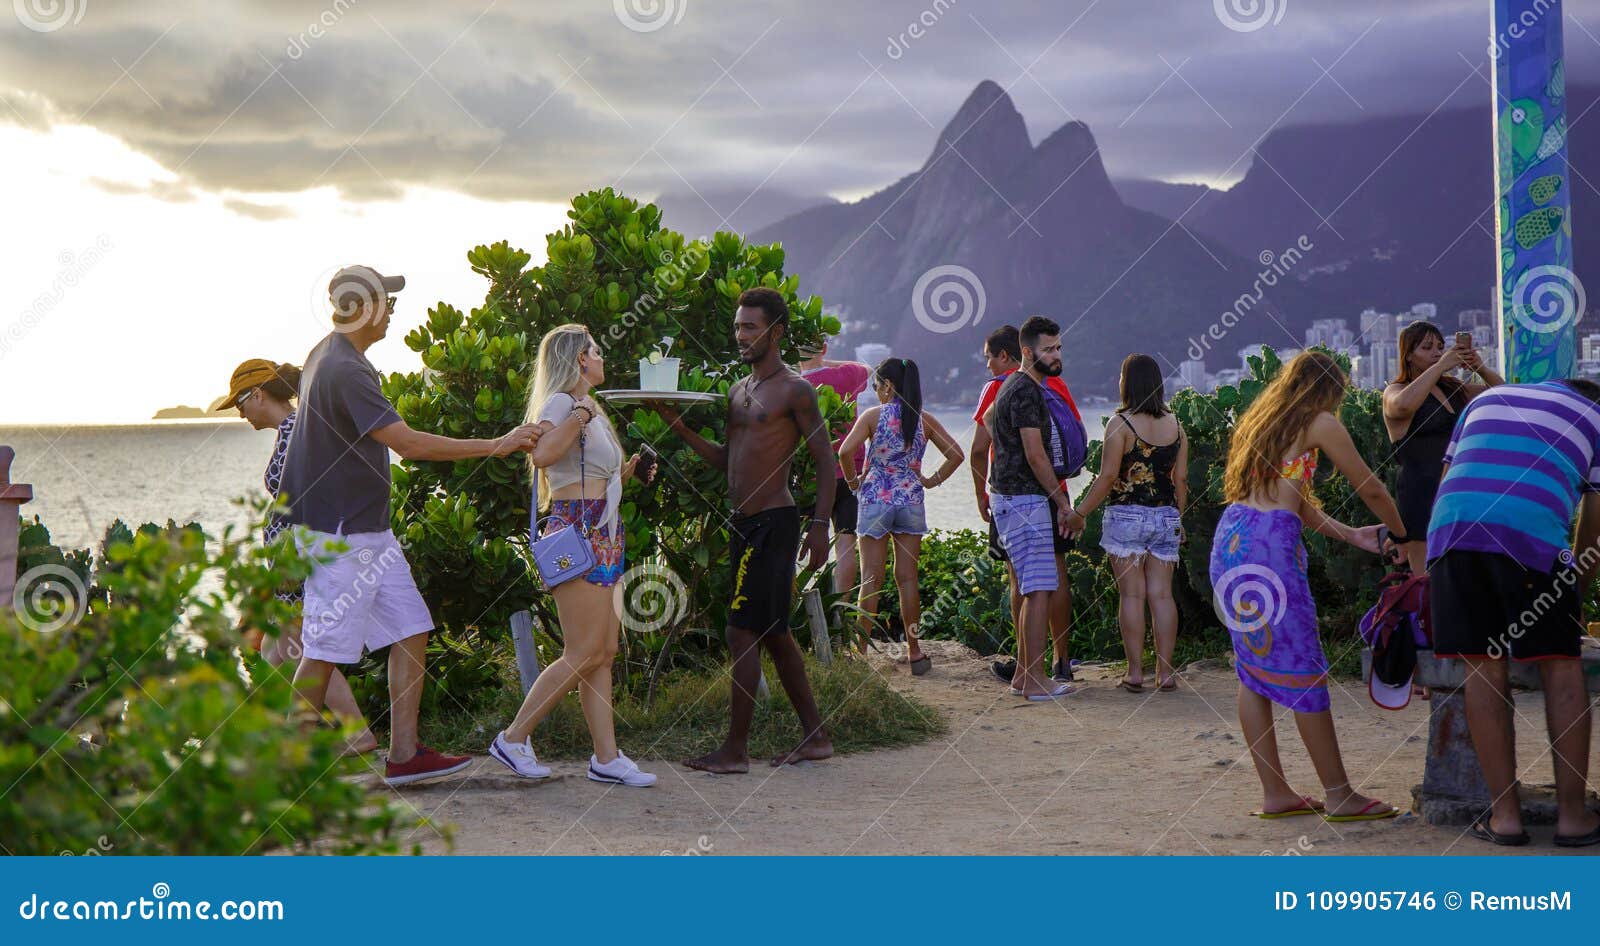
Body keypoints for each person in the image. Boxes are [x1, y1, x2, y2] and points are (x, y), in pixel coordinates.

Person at [280, 264, 541, 786]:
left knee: (410, 628)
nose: (393, 311)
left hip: (364, 531)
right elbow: (408, 443)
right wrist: (497, 444)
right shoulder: (344, 368)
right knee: (324, 651)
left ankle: (404, 755)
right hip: (340, 534)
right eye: (387, 301)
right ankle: (283, 772)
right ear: (361, 308)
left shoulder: (329, 357)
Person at [1211, 350, 1404, 821]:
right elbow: (1371, 488)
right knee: (1304, 667)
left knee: (1252, 671)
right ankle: (1339, 793)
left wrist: (1352, 535)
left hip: (1232, 542)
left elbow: (1291, 501)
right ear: (1330, 389)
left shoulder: (1265, 421)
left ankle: (1275, 793)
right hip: (1271, 553)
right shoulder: (1319, 422)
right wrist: (1404, 533)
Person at [652, 287, 837, 773]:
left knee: (740, 632)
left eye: (750, 327)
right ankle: (816, 738)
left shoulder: (795, 389)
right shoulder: (738, 390)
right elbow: (725, 460)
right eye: (737, 327)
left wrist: (820, 526)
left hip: (775, 522)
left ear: (776, 332)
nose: (740, 335)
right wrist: (678, 427)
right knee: (775, 633)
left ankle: (735, 752)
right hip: (742, 523)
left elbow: (825, 459)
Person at [1427, 379, 1600, 847]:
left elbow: (1448, 482)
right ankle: (1572, 818)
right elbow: (1594, 525)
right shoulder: (1596, 417)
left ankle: (1505, 819)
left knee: (1482, 669)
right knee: (1562, 668)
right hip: (1531, 537)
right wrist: (1574, 594)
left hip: (1452, 532)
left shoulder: (1485, 399)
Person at [488, 325, 658, 787]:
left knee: (603, 652)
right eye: (596, 351)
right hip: (575, 533)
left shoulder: (588, 407)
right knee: (582, 651)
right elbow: (542, 455)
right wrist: (579, 416)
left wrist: (629, 471)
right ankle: (513, 738)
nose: (602, 358)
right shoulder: (564, 404)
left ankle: (606, 758)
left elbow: (594, 476)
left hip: (604, 530)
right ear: (580, 359)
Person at [222, 358, 377, 755]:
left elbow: (317, 495)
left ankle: (351, 734)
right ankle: (286, 734)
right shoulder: (290, 431)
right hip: (289, 561)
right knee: (275, 650)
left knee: (301, 648)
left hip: (299, 560)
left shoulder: (298, 432)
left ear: (258, 394)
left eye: (240, 404)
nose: (240, 414)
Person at [837, 357, 965, 674]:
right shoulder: (924, 420)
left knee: (871, 578)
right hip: (911, 500)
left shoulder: (872, 416)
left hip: (875, 501)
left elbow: (844, 452)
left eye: (876, 386)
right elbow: (956, 455)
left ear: (888, 386)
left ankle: (860, 653)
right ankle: (915, 652)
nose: (876, 391)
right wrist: (931, 480)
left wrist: (853, 482)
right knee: (908, 579)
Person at [1073, 354, 1187, 692]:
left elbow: (1108, 476)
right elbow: (1181, 480)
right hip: (1166, 516)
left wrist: (1079, 513)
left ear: (1127, 383)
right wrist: (1178, 519)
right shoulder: (1177, 425)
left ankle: (1135, 673)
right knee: (1162, 596)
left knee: (1132, 596)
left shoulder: (1119, 424)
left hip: (1126, 516)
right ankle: (1165, 674)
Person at [970, 326, 1077, 685]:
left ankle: (1026, 665)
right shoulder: (1053, 385)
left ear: (1006, 355)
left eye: (989, 358)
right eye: (1051, 348)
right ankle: (1059, 662)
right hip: (1052, 488)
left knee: (1024, 581)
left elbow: (979, 448)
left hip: (1020, 492)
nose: (988, 365)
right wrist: (1062, 499)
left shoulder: (1000, 387)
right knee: (1053, 576)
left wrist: (981, 493)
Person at [1382, 322, 1502, 573]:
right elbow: (1402, 406)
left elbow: (1502, 395)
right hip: (1420, 495)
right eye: (1427, 348)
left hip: (1460, 493)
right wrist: (1440, 367)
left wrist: (1480, 367)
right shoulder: (1396, 390)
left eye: (1440, 347)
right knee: (1427, 578)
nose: (1436, 353)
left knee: (1466, 575)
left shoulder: (1452, 388)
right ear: (1408, 355)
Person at [799, 340, 871, 605]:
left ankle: (797, 605)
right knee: (845, 544)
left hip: (811, 478)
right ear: (824, 348)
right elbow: (867, 368)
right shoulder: (846, 375)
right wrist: (824, 361)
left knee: (796, 543)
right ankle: (839, 611)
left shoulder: (795, 385)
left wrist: (808, 364)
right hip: (850, 474)